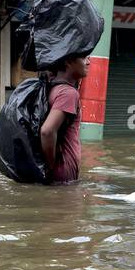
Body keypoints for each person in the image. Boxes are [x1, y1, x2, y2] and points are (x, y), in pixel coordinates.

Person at [39, 53, 90, 184]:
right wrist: (50, 166)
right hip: (62, 178)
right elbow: (47, 131)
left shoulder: (52, 87)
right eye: (84, 57)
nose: (88, 62)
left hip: (56, 177)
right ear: (68, 62)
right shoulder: (68, 93)